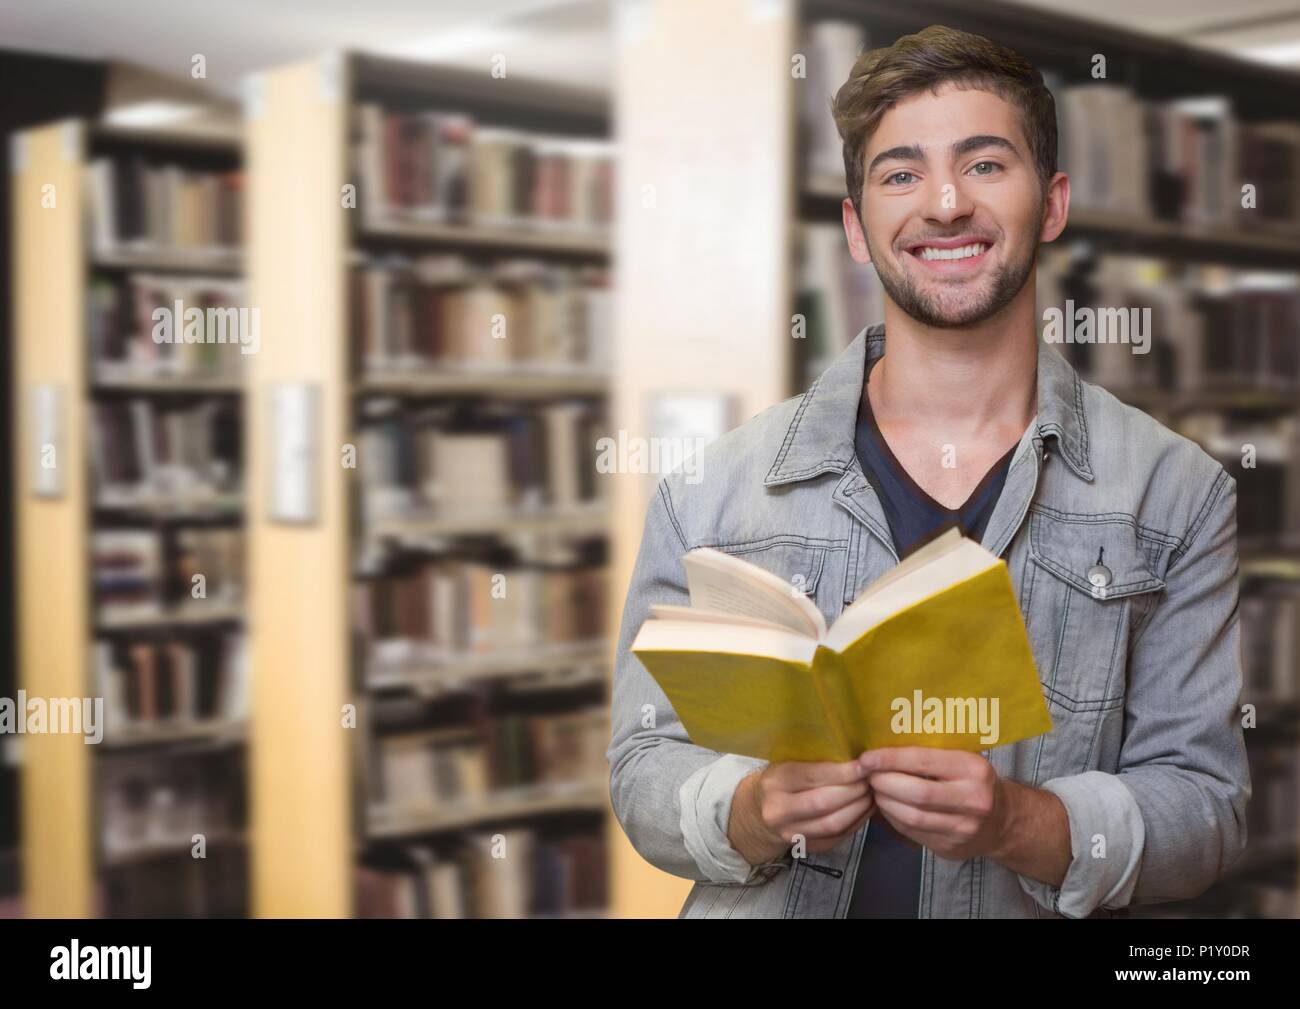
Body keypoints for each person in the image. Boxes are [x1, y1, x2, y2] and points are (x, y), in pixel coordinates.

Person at [606, 24, 1248, 918]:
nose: (944, 204)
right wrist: (752, 809)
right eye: (900, 174)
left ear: (1053, 204)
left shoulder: (1175, 493)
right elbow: (642, 767)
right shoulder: (709, 491)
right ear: (857, 228)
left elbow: (1208, 809)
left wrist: (1022, 821)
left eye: (985, 165)